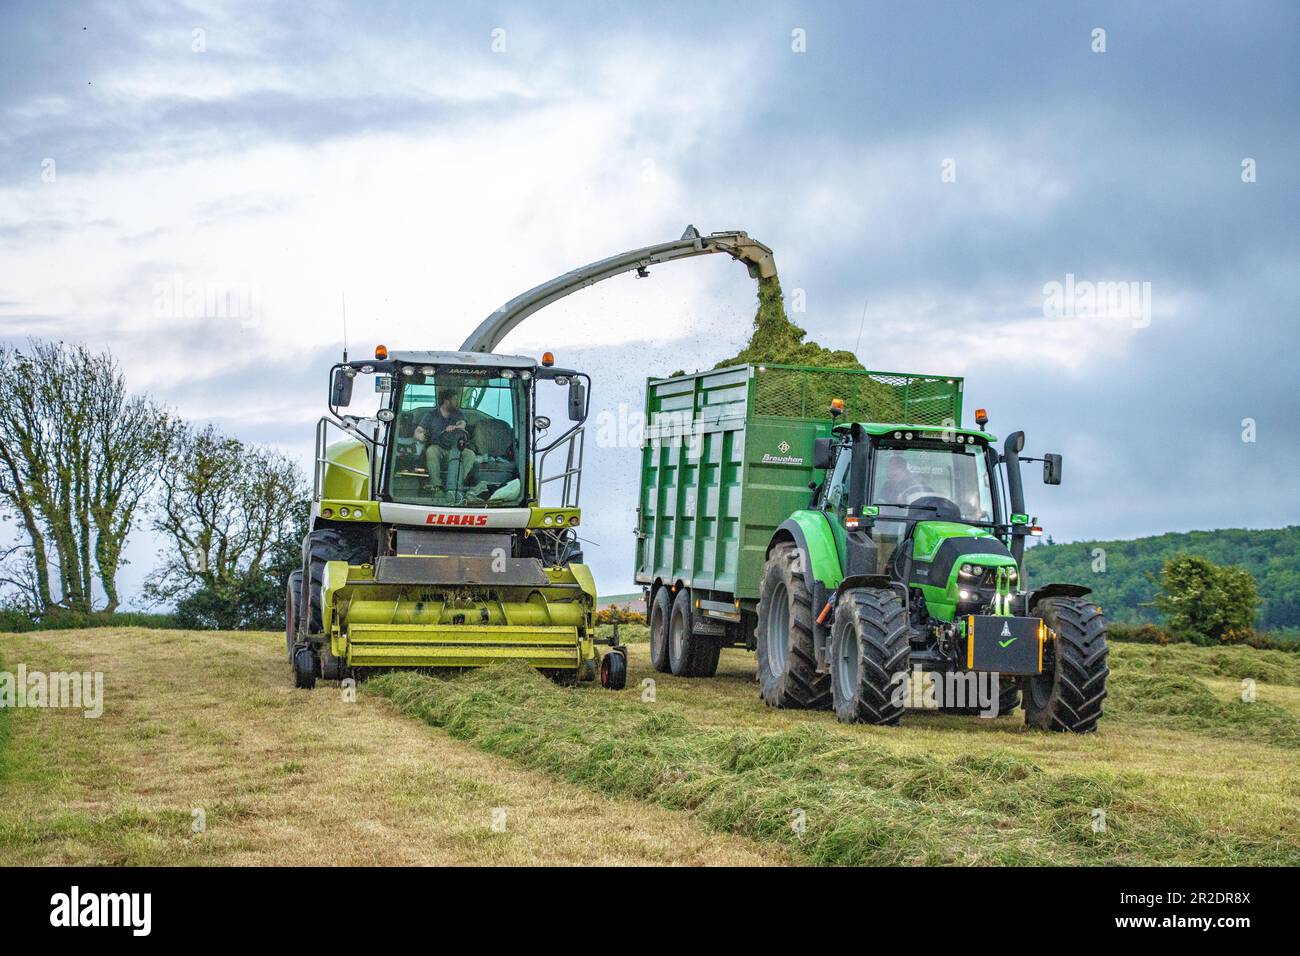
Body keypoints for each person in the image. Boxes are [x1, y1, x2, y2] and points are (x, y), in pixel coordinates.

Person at [417, 388, 476, 495]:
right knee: (431, 451)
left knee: (470, 454)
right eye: (455, 399)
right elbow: (418, 430)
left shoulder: (458, 414)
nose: (457, 402)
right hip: (438, 448)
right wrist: (420, 435)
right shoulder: (431, 415)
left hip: (456, 449)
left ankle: (456, 486)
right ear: (446, 401)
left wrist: (455, 426)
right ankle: (437, 487)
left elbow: (462, 424)